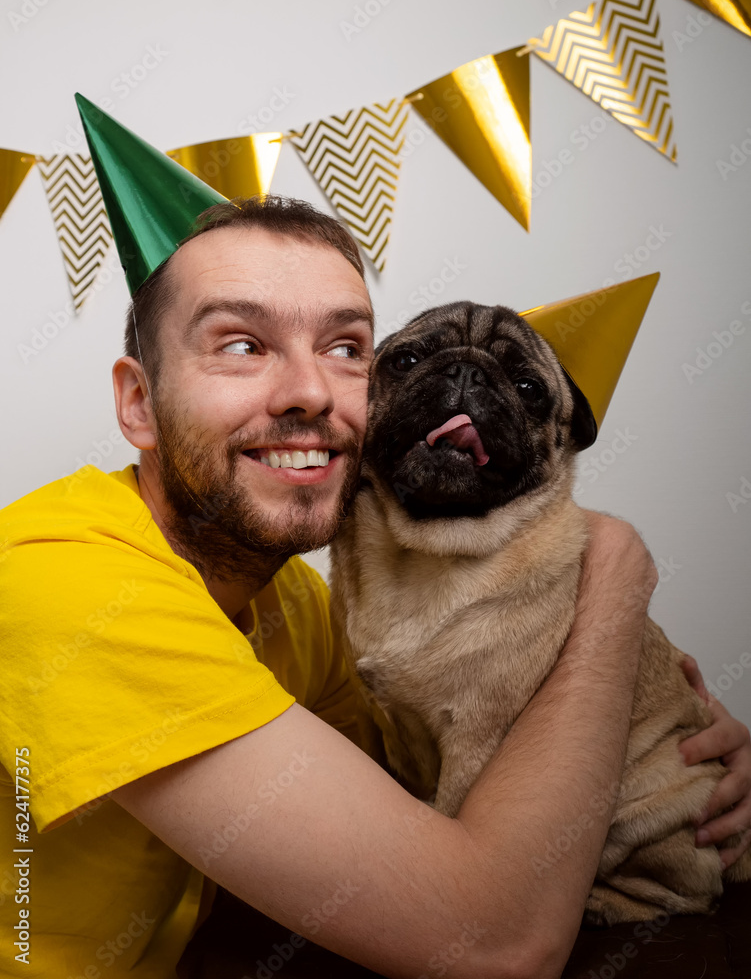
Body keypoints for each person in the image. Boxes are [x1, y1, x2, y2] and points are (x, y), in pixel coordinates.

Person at [0, 101, 749, 979]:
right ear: (138, 404)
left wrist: (656, 746)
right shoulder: (62, 585)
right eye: (242, 345)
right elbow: (495, 946)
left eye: (348, 348)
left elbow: (402, 818)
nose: (309, 392)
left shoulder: (298, 606)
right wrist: (613, 574)